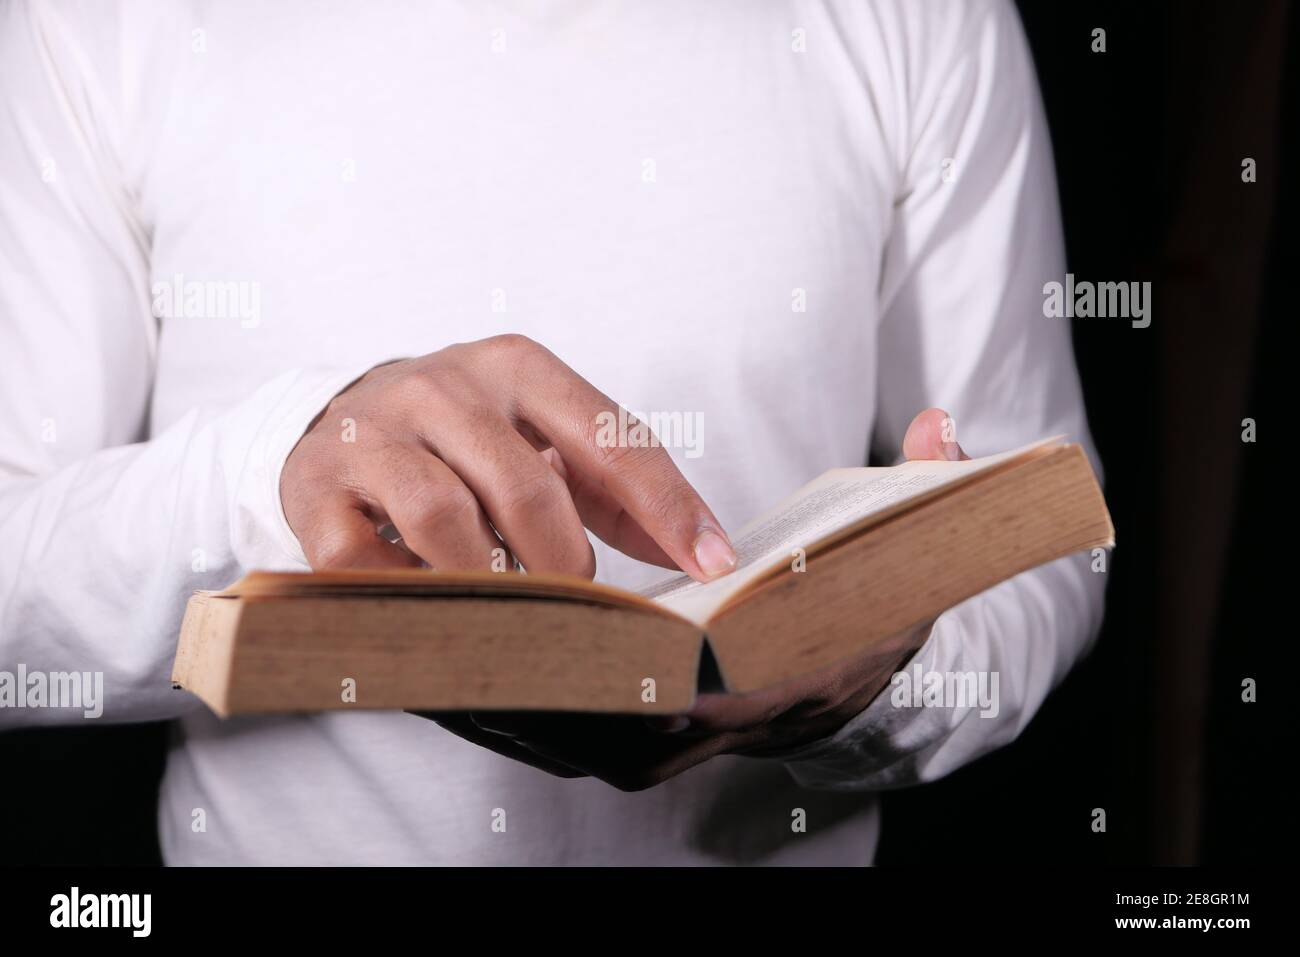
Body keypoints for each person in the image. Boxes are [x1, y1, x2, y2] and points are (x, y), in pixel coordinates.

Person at [0, 0, 1105, 864]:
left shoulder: (924, 18)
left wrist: (881, 682)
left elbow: (1055, 538)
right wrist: (277, 476)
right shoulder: (94, 21)